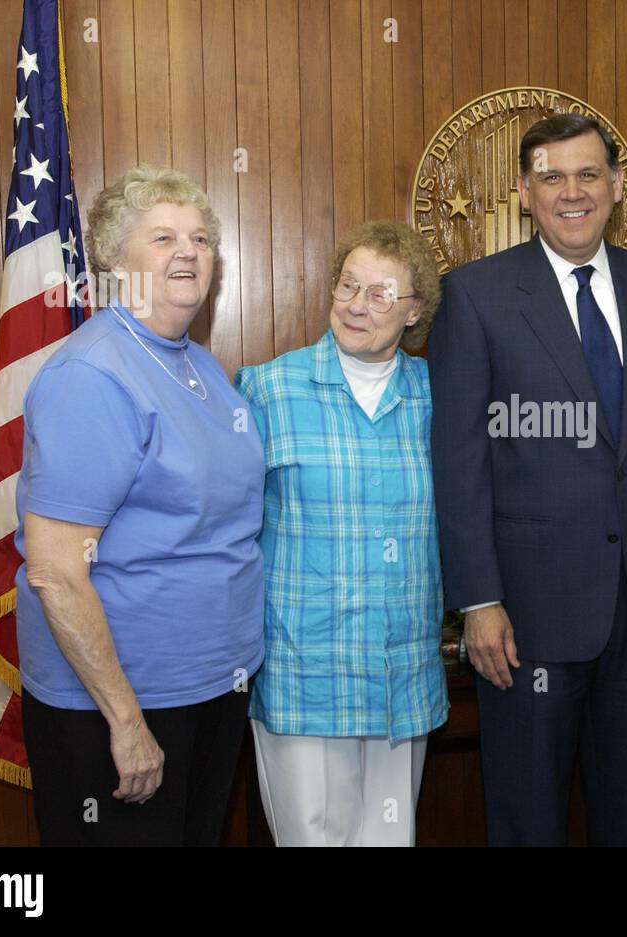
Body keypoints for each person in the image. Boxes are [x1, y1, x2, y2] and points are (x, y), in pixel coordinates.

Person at [428, 114, 627, 846]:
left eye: (589, 174)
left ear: (615, 187)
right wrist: (478, 599)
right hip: (526, 619)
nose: (572, 192)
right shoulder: (477, 295)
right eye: (552, 176)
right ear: (524, 192)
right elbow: (459, 461)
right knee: (528, 820)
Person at [16, 165, 265, 846]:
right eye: (161, 237)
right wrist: (125, 721)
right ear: (114, 261)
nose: (188, 250)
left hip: (210, 685)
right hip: (126, 702)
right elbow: (56, 571)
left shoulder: (198, 364)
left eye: (200, 237)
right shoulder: (91, 375)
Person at [235, 221, 448, 847]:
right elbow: (233, 533)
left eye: (382, 294)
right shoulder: (268, 389)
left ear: (414, 312)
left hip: (400, 671)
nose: (358, 305)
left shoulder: (439, 398)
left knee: (389, 838)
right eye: (348, 286)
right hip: (305, 673)